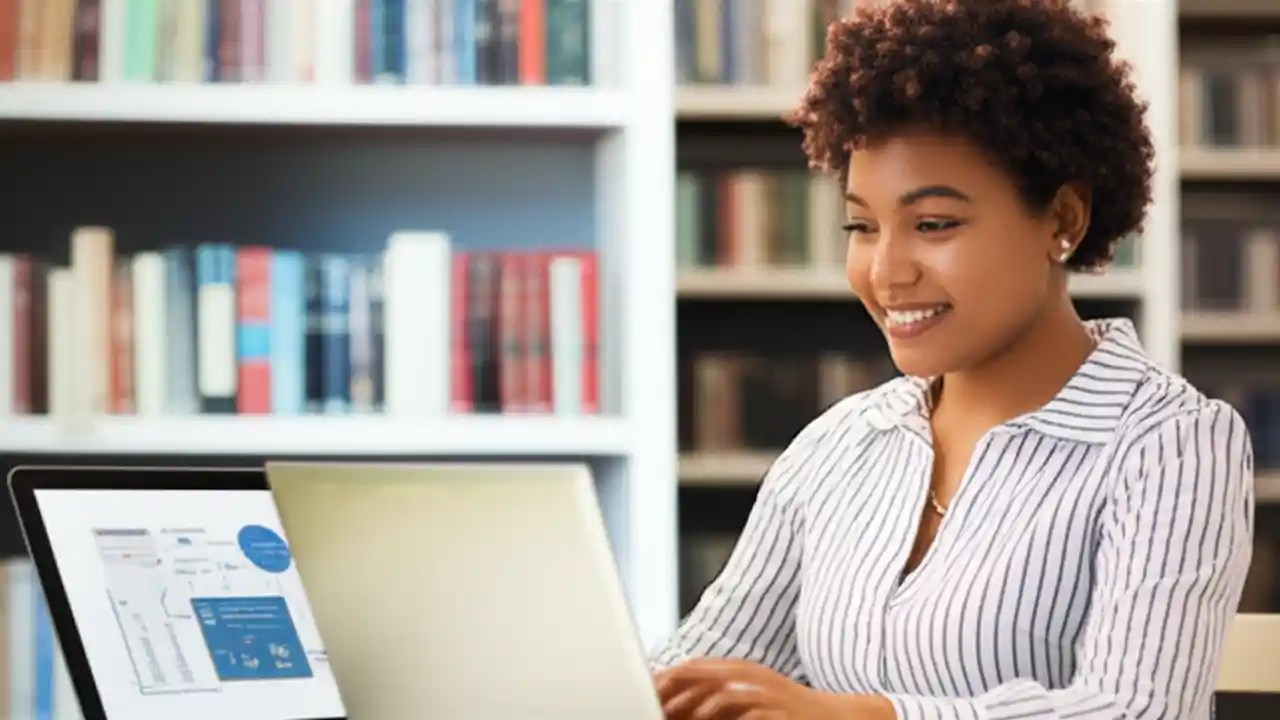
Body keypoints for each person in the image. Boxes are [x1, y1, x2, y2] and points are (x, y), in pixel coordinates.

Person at [650, 1, 1255, 718]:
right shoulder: (842, 445)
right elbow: (704, 667)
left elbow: (1137, 712)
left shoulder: (1171, 444)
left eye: (933, 224)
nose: (886, 271)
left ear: (1063, 219)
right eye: (862, 227)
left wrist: (858, 716)